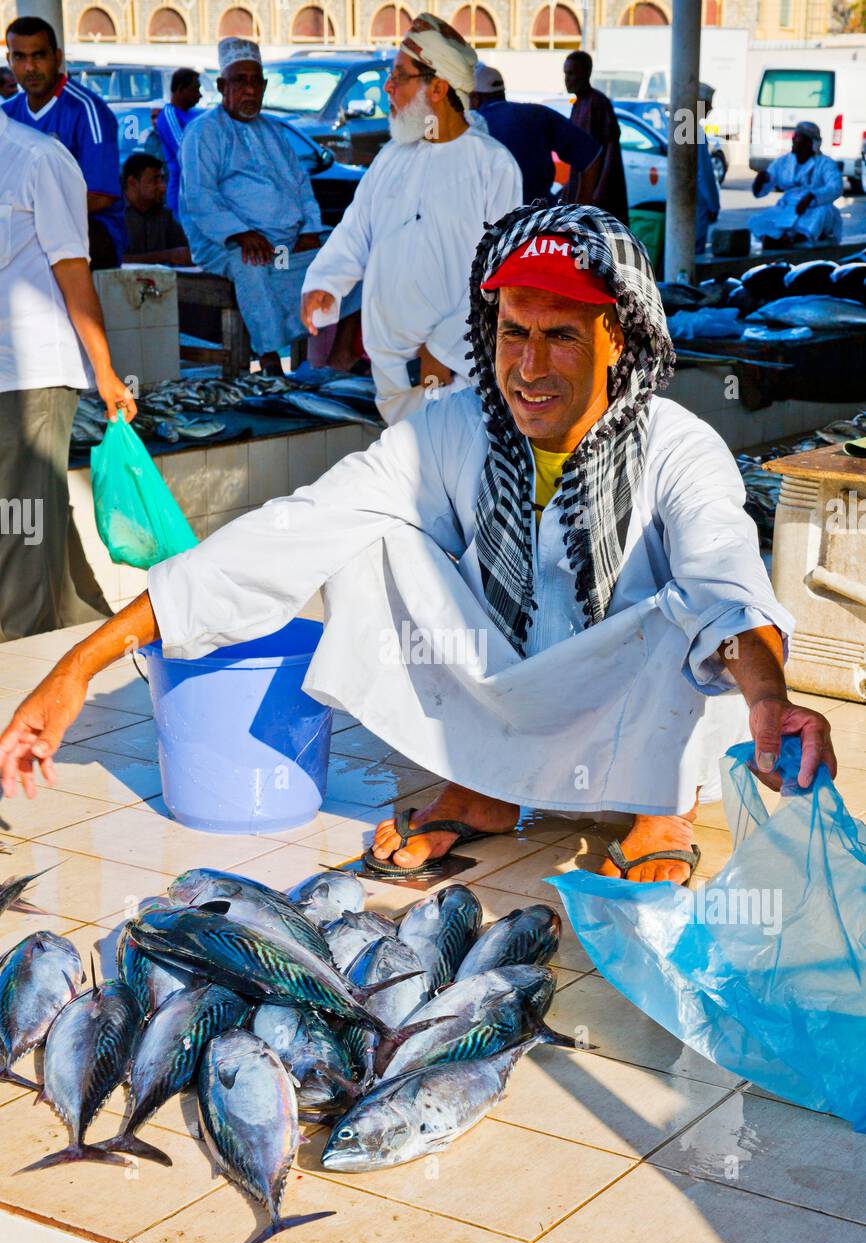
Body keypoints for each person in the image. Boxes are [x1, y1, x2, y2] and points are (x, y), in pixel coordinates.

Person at [0, 204, 836, 888]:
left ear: (619, 339)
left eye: (564, 335)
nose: (530, 366)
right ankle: (484, 785)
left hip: (634, 709)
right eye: (514, 333)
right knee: (363, 537)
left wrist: (766, 699)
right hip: (514, 691)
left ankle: (661, 806)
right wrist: (82, 666)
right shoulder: (454, 428)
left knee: (690, 604)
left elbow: (728, 579)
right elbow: (296, 527)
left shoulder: (679, 447)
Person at [301, 14, 522, 425]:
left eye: (398, 76)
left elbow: (500, 275)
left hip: (456, 375)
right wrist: (326, 282)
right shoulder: (391, 157)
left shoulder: (493, 165)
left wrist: (443, 347)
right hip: (392, 377)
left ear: (437, 87)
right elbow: (356, 230)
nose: (387, 87)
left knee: (456, 481)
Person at [0, 108, 135, 642]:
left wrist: (105, 371)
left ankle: (15, 656)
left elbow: (74, 272)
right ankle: (102, 635)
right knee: (35, 520)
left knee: (20, 525)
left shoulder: (38, 159)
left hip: (32, 376)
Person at [179, 37, 323, 377]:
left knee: (343, 257)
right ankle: (271, 358)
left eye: (255, 81)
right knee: (251, 264)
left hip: (286, 242)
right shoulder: (203, 132)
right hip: (223, 244)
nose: (249, 89)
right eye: (239, 81)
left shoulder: (273, 130)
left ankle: (332, 354)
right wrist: (241, 233)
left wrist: (311, 230)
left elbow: (301, 186)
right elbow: (199, 197)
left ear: (264, 86)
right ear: (221, 86)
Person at [4, 17, 125, 270]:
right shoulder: (8, 114)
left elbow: (101, 196)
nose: (30, 67)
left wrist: (32, 218)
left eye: (39, 55)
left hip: (92, 232)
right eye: (19, 57)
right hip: (28, 226)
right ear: (9, 60)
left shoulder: (87, 110)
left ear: (57, 57)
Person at [471, 63, 600, 204]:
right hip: (539, 216)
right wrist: (582, 204)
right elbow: (591, 157)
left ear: (476, 97)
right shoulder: (538, 114)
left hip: (490, 217)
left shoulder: (471, 124)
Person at [750, 121, 843, 248]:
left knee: (823, 212)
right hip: (787, 207)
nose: (796, 143)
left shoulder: (825, 163)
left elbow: (836, 187)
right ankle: (779, 238)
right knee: (756, 220)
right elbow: (763, 189)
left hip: (813, 207)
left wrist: (812, 197)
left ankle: (796, 238)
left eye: (801, 141)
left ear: (812, 144)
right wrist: (760, 181)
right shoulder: (782, 162)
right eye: (795, 139)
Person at [562, 49, 629, 226]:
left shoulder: (598, 103)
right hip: (580, 186)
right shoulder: (577, 105)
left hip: (598, 189)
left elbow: (610, 147)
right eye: (565, 73)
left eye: (571, 74)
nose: (567, 79)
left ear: (585, 73)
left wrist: (600, 188)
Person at [122, 153, 191, 266]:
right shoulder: (114, 216)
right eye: (155, 181)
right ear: (132, 183)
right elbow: (110, 261)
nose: (163, 188)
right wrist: (165, 256)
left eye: (162, 180)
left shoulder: (164, 216)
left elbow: (184, 252)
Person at [155, 68, 202, 218]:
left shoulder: (195, 114)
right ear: (181, 89)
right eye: (195, 89)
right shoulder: (170, 115)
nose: (199, 95)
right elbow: (186, 151)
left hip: (198, 191)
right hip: (181, 194)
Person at [695, 83, 721, 256]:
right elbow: (704, 174)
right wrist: (713, 205)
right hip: (696, 205)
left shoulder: (684, 125)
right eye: (707, 103)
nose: (711, 108)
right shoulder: (692, 130)